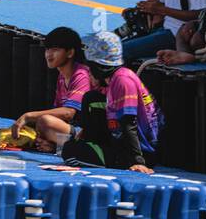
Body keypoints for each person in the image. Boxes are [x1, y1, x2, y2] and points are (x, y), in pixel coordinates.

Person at [60, 31, 160, 173]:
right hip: (118, 140)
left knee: (70, 152)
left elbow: (128, 123)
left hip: (139, 153)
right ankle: (92, 145)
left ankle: (123, 160)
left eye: (90, 64)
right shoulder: (111, 80)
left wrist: (137, 161)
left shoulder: (123, 80)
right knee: (91, 98)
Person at [12, 27, 90, 153]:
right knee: (37, 126)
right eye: (47, 49)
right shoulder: (62, 77)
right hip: (73, 131)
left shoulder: (81, 75)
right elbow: (59, 114)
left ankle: (65, 148)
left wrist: (28, 116)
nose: (49, 54)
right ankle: (57, 147)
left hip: (89, 134)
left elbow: (68, 113)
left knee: (45, 121)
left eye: (55, 49)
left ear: (70, 53)